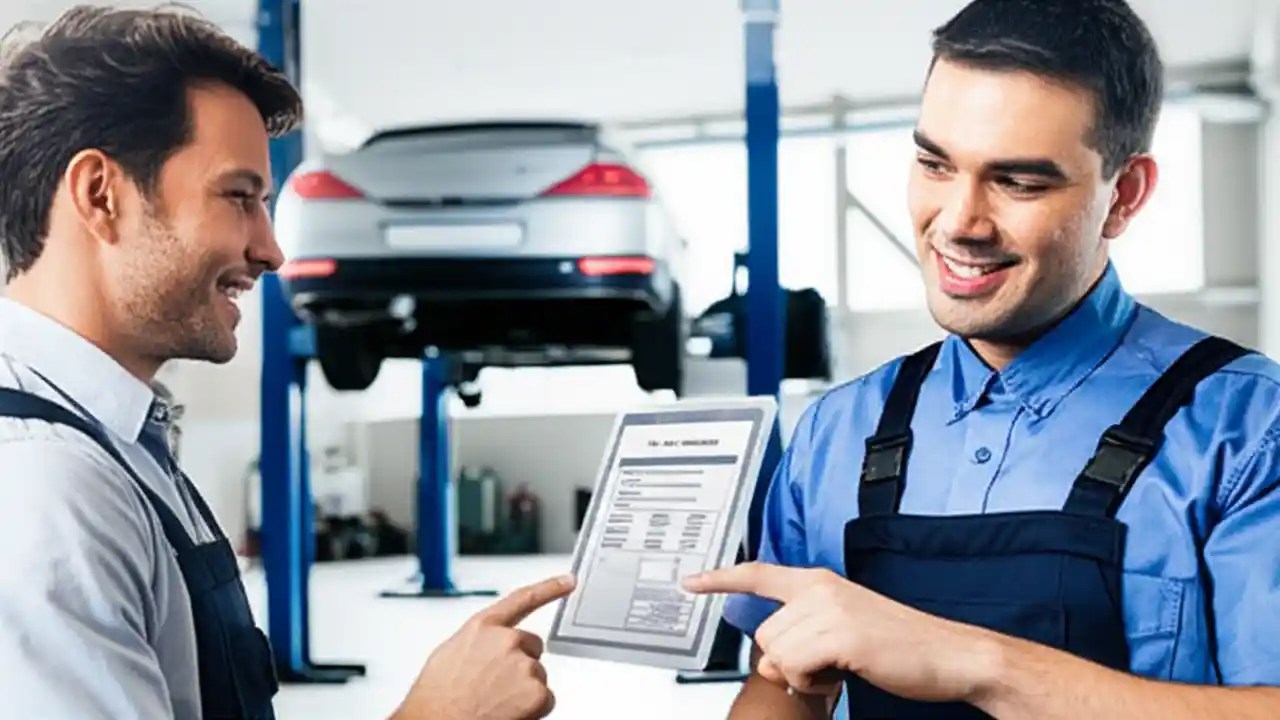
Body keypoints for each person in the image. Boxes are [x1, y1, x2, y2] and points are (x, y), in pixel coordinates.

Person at [682, 0, 1280, 718]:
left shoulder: (1247, 430)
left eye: (1018, 182)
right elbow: (780, 687)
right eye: (935, 164)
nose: (960, 222)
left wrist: (974, 663)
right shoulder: (837, 431)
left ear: (1124, 196)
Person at [0, 6, 569, 720]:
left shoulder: (117, 442)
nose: (270, 251)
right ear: (100, 195)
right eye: (238, 198)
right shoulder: (43, 486)